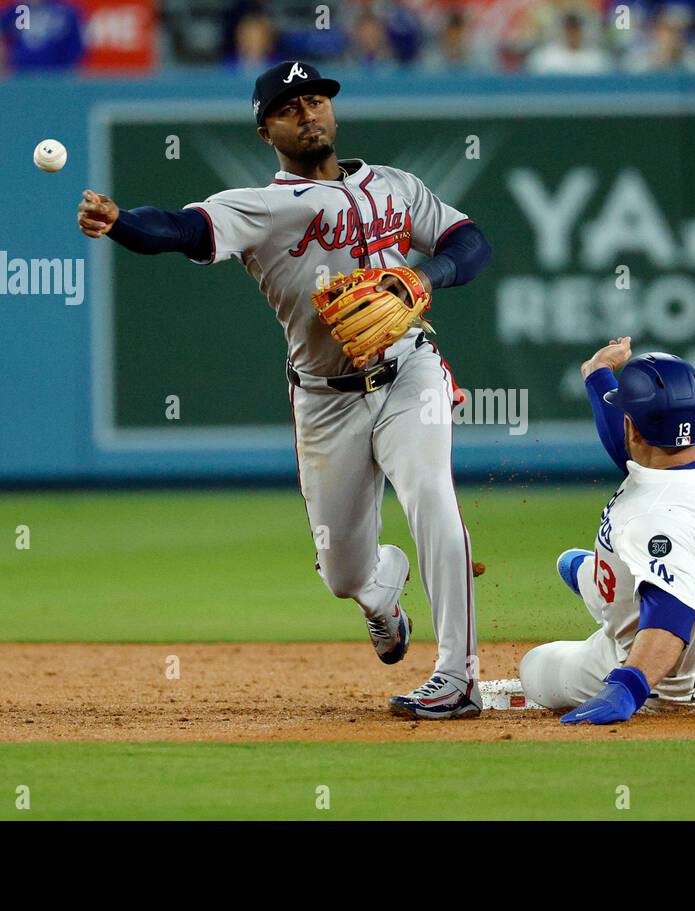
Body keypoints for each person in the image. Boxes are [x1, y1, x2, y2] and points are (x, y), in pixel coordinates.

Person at [75, 61, 493, 720]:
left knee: (431, 493)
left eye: (316, 98)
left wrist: (428, 275)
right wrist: (122, 220)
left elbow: (469, 241)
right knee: (343, 576)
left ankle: (457, 675)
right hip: (325, 400)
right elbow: (180, 230)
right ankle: (382, 590)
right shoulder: (261, 208)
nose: (308, 111)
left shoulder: (394, 186)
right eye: (289, 105)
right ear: (267, 127)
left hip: (410, 370)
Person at [520, 338, 695, 724]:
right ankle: (594, 580)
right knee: (581, 565)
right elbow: (634, 449)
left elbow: (670, 617)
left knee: (534, 669)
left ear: (635, 429)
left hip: (674, 677)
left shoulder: (650, 519)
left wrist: (628, 687)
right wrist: (596, 374)